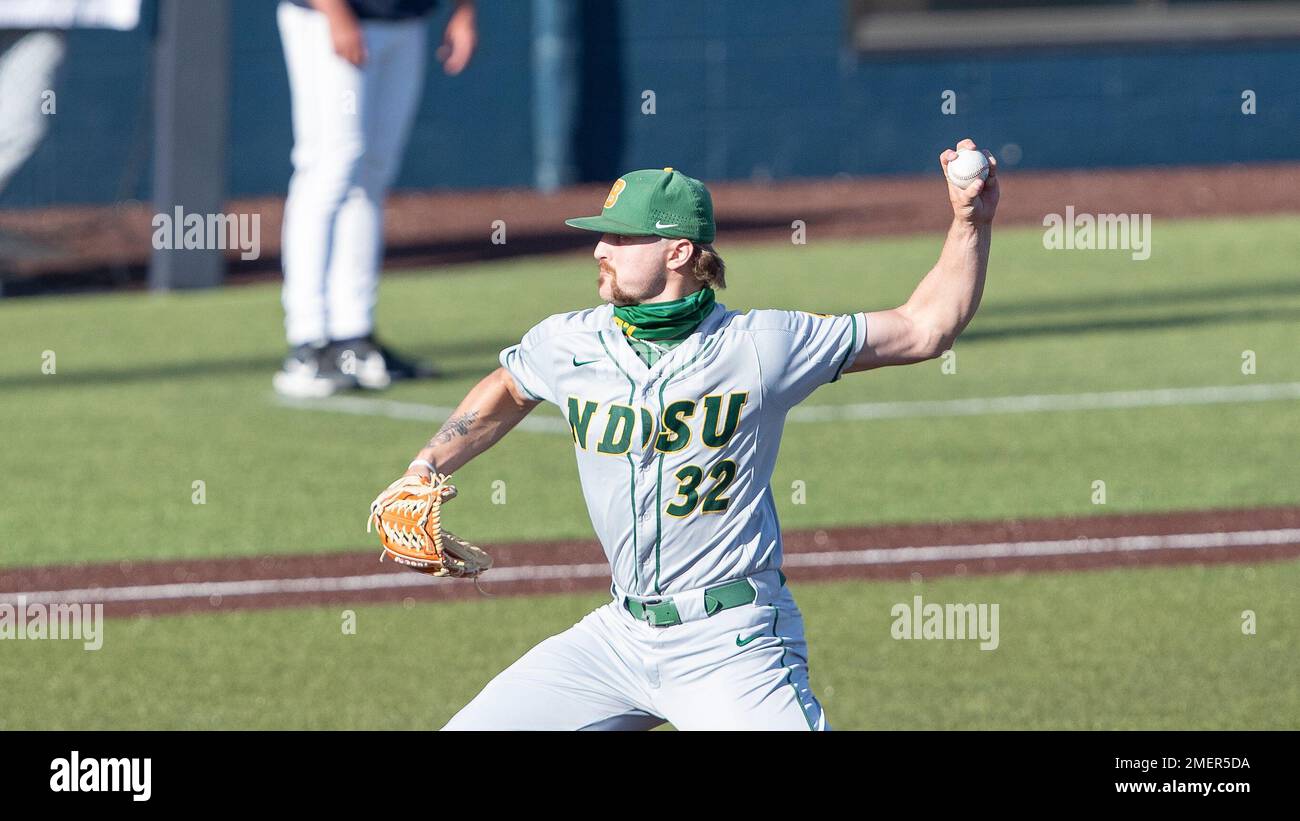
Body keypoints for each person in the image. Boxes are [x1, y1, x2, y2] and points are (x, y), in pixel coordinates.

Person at [375, 141, 998, 730]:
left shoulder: (762, 346)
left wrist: (969, 221)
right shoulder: (570, 342)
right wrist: (426, 465)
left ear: (676, 251)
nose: (600, 250)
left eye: (620, 236)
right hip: (618, 636)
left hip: (731, 642)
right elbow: (511, 386)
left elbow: (925, 329)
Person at [273, 0, 476, 398]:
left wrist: (464, 12)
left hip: (404, 21)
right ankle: (307, 343)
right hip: (329, 18)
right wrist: (336, 14)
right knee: (329, 167)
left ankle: (353, 336)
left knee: (371, 174)